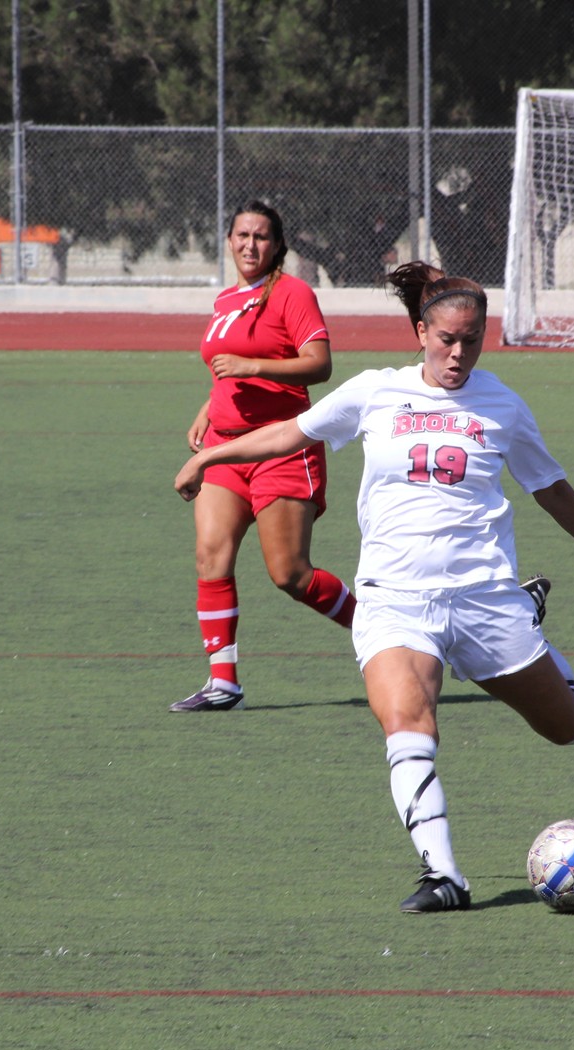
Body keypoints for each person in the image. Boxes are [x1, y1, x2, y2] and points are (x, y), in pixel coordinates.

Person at [176, 261, 574, 912]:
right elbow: (291, 432)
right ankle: (444, 875)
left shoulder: (503, 405)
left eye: (471, 341)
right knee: (407, 722)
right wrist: (211, 456)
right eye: (446, 339)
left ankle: (526, 612)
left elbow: (551, 489)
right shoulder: (376, 391)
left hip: (483, 598)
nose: (458, 353)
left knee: (568, 729)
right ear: (421, 332)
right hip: (393, 598)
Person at [170, 200, 358, 712]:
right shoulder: (225, 299)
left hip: (282, 447)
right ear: (229, 241)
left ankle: (388, 631)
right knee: (210, 555)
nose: (250, 244)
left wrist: (253, 366)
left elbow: (319, 365)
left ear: (277, 246)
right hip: (226, 448)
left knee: (290, 575)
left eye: (261, 237)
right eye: (242, 235)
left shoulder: (292, 293)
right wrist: (208, 408)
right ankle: (223, 683)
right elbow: (223, 370)